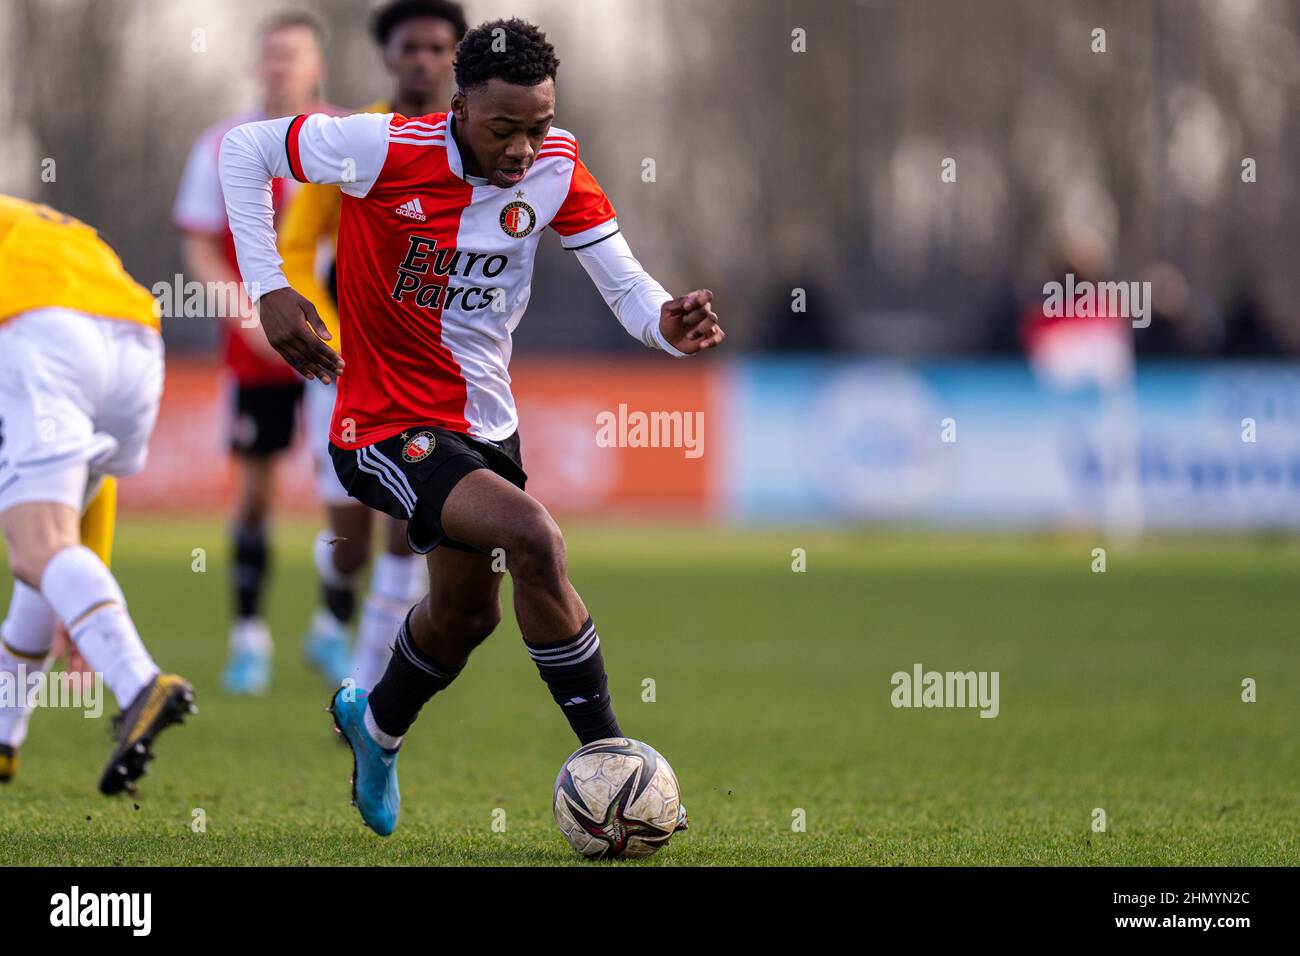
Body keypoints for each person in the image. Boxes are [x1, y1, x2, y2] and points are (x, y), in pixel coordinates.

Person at [218, 18, 721, 836]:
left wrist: (669, 322)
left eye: (539, 125)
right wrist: (269, 287)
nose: (524, 147)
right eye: (504, 128)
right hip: (381, 424)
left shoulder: (555, 169)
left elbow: (628, 290)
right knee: (535, 538)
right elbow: (244, 150)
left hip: (486, 426)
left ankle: (374, 726)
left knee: (466, 617)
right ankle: (614, 761)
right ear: (459, 108)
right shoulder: (381, 148)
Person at [279, 0, 468, 691]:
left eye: (437, 48)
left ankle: (365, 683)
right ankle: (332, 611)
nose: (422, 59)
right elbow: (298, 243)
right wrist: (320, 323)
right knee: (351, 545)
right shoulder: (357, 138)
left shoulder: (475, 144)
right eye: (409, 47)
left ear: (456, 56)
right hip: (343, 367)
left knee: (410, 527)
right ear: (389, 56)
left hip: (426, 372)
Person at [0, 196, 195, 795]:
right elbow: (92, 479)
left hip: (43, 327)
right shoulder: (29, 219)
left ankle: (139, 682)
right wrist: (84, 597)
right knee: (46, 553)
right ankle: (4, 737)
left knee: (35, 546)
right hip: (134, 340)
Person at [173, 10, 339, 694]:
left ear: (314, 66)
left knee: (351, 485)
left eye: (292, 55)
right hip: (256, 346)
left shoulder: (344, 138)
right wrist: (245, 317)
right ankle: (249, 638)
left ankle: (334, 627)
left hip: (336, 340)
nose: (279, 66)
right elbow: (200, 244)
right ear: (256, 65)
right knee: (253, 491)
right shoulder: (221, 143)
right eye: (270, 55)